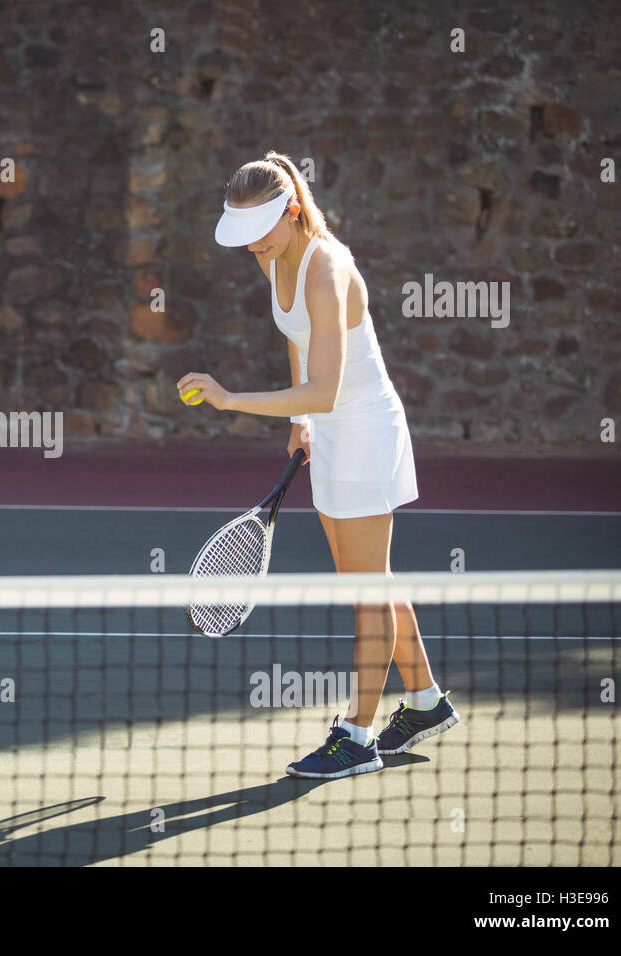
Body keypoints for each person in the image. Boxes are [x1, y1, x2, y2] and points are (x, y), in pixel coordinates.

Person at [177, 151, 459, 779]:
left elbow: (329, 388)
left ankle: (356, 738)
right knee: (371, 580)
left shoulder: (326, 266)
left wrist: (233, 399)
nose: (250, 247)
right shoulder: (277, 255)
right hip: (329, 431)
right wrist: (301, 419)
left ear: (293, 211)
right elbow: (297, 340)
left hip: (363, 433)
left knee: (366, 593)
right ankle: (425, 701)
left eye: (259, 233)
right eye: (241, 235)